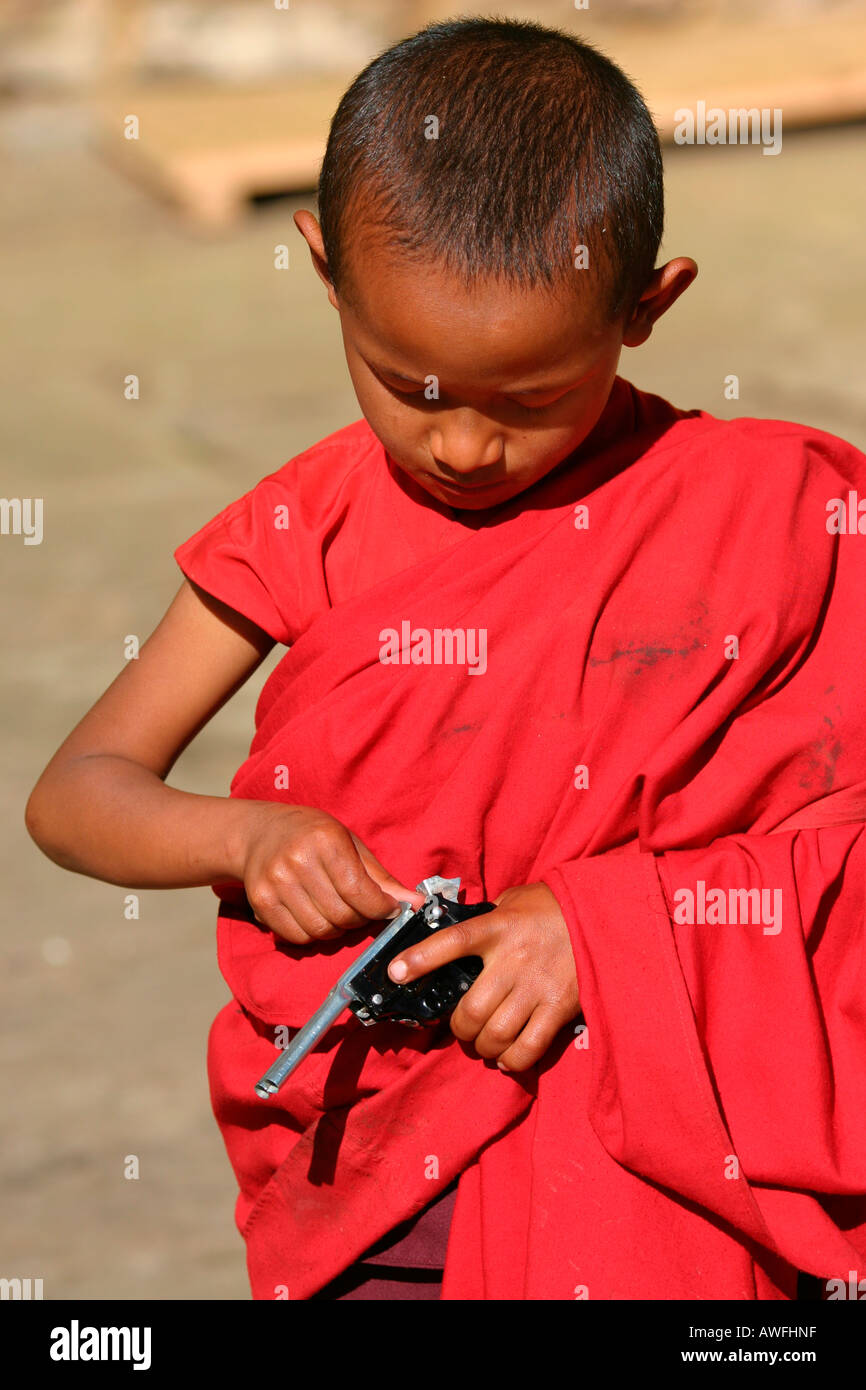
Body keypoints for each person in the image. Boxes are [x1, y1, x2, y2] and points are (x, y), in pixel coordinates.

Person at [25, 17, 866, 1302]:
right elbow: (79, 790)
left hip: (658, 1149)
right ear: (323, 271)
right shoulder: (306, 525)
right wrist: (241, 840)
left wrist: (613, 933)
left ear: (647, 307)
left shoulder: (773, 517)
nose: (463, 448)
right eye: (406, 384)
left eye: (528, 399)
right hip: (377, 1163)